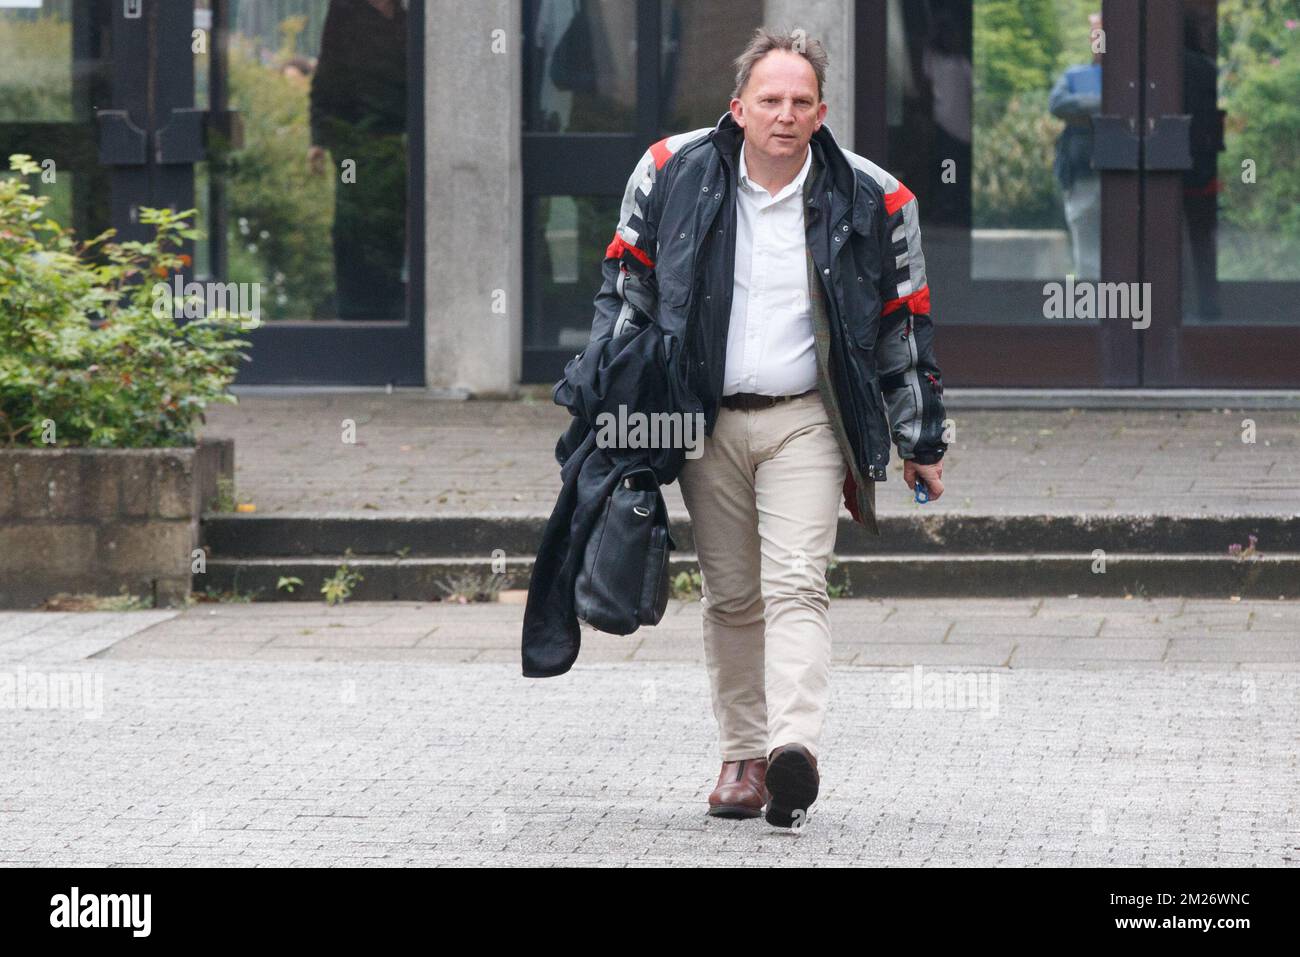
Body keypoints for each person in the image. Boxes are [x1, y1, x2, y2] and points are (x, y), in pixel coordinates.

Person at [588, 28, 948, 827]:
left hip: (807, 423)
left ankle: (793, 749)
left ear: (821, 113)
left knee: (795, 583)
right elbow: (626, 293)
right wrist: (608, 412)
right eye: (770, 100)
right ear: (738, 108)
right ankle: (742, 759)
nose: (785, 115)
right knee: (732, 594)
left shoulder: (874, 197)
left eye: (800, 102)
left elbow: (905, 323)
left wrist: (919, 439)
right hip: (705, 422)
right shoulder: (670, 173)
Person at [308, 0, 408, 320]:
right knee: (353, 215)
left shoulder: (408, 18)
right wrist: (320, 140)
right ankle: (358, 309)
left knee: (393, 224)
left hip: (400, 146)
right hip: (355, 145)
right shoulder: (346, 13)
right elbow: (326, 79)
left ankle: (389, 305)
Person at [1049, 12, 1104, 279]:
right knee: (1087, 254)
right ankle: (1094, 314)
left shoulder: (1130, 79)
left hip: (1122, 178)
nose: (1097, 41)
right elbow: (1058, 104)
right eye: (1094, 34)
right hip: (1082, 177)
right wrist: (1102, 105)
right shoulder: (1075, 75)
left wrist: (1086, 109)